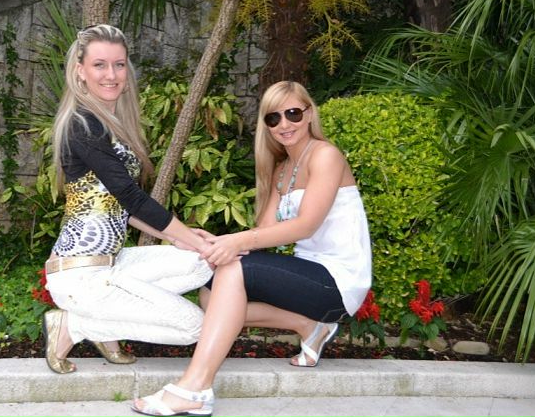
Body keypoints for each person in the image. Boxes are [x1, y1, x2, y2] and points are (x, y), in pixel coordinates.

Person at [132, 80, 372, 416]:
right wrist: (213, 243)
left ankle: (195, 387)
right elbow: (265, 232)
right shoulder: (282, 170)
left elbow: (306, 225)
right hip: (311, 275)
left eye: (292, 113)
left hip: (338, 281)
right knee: (212, 292)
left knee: (233, 270)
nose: (284, 124)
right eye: (274, 118)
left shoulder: (325, 156)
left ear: (309, 114)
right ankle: (309, 326)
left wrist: (236, 244)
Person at [42, 24, 214, 375]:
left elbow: (119, 206)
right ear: (80, 71)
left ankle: (104, 323)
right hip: (80, 275)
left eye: (119, 65)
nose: (112, 74)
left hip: (111, 262)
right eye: (100, 65)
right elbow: (131, 197)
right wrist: (191, 237)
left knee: (201, 262)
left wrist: (180, 239)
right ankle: (75, 325)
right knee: (194, 327)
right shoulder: (82, 124)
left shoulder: (110, 122)